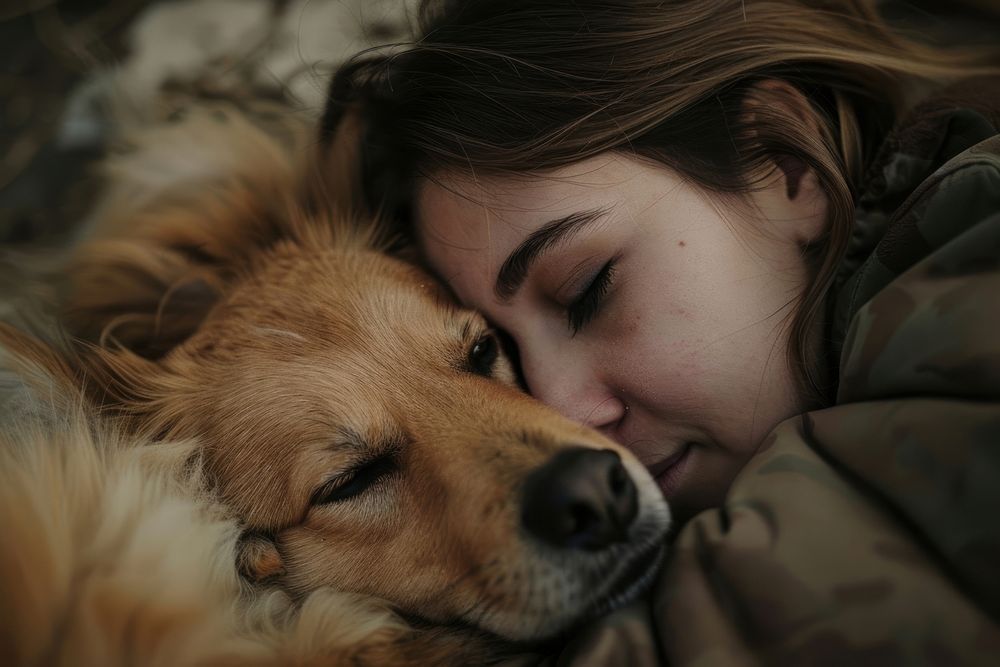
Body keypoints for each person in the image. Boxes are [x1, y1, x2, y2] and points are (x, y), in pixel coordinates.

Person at [322, 0, 1000, 663]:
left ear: (783, 164)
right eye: (506, 354)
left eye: (588, 292)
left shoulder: (975, 237)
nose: (562, 415)